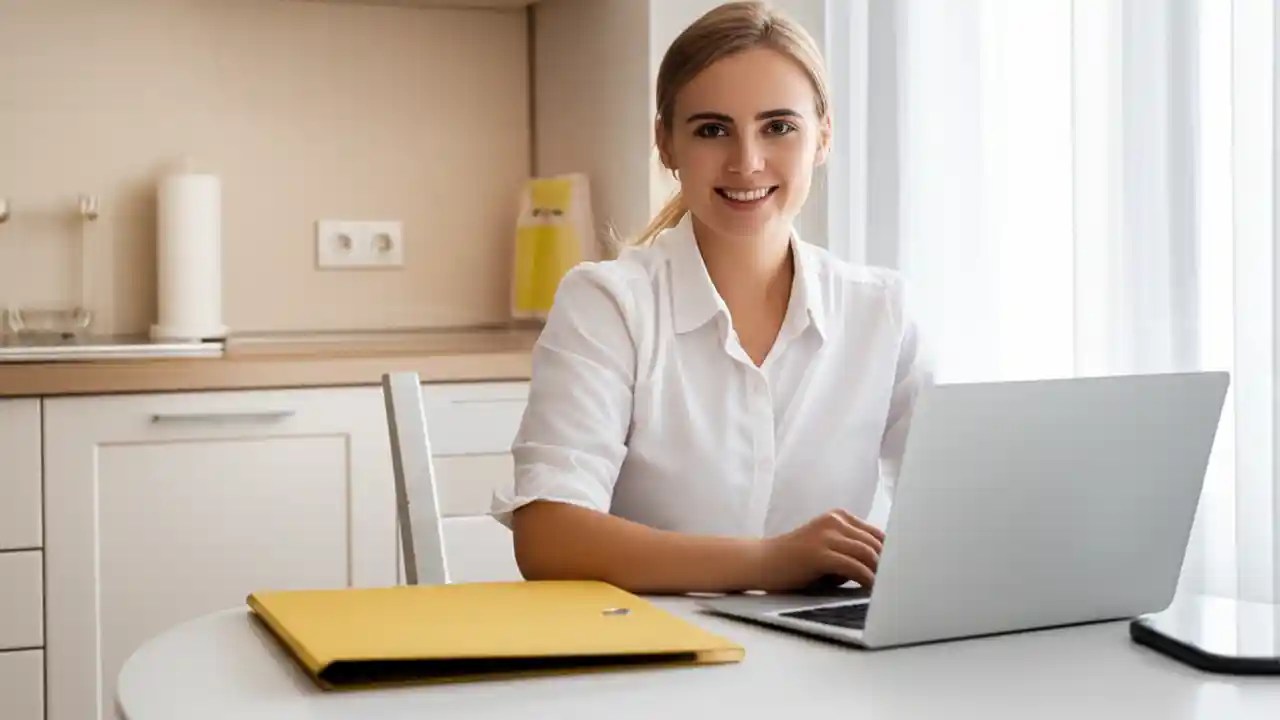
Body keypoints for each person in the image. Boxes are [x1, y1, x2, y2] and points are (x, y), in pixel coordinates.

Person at [492, 1, 929, 595]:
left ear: (823, 136)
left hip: (828, 663)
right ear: (666, 145)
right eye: (712, 129)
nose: (746, 162)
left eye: (778, 127)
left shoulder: (884, 312)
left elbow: (954, 513)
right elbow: (549, 536)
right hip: (650, 661)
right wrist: (769, 562)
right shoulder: (609, 304)